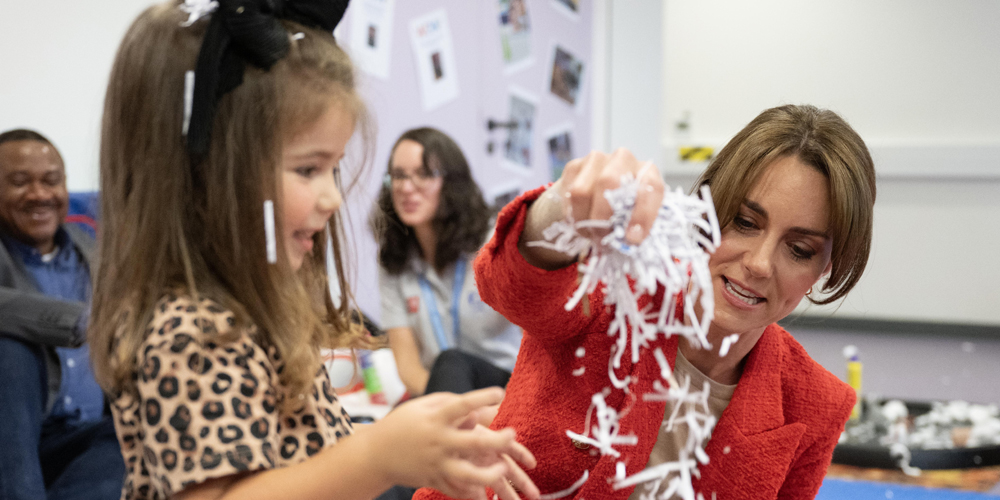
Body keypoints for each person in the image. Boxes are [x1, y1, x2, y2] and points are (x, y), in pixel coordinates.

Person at [87, 2, 540, 500]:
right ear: (208, 177)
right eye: (308, 170)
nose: (333, 198)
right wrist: (379, 456)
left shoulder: (249, 315)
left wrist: (418, 438)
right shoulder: (190, 331)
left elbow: (304, 455)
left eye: (334, 169)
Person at [414, 104, 877, 500]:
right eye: (743, 222)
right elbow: (508, 283)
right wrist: (561, 213)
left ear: (826, 269)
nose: (758, 264)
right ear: (706, 210)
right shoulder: (615, 291)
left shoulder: (814, 406)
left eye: (799, 250)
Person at [0, 128, 125, 499]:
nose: (39, 194)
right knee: (11, 348)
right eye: (19, 182)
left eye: (51, 181)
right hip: (14, 436)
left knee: (126, 440)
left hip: (86, 436)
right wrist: (82, 321)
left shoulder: (99, 253)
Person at [373, 127, 522, 398]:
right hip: (440, 390)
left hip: (508, 390)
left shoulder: (495, 243)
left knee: (452, 361)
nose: (406, 187)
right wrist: (460, 406)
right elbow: (408, 369)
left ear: (453, 183)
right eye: (398, 176)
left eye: (424, 174)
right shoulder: (392, 260)